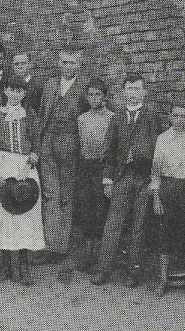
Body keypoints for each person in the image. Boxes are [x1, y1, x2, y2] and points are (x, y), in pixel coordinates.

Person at [93, 73, 160, 287]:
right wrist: (107, 179)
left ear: (144, 92)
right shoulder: (118, 117)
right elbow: (109, 150)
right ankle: (103, 270)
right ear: (124, 92)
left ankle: (133, 272)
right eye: (129, 89)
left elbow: (160, 149)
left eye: (137, 89)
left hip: (143, 178)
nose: (133, 93)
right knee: (113, 223)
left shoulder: (152, 116)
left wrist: (150, 173)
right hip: (121, 178)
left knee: (139, 226)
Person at [0, 79, 44, 286]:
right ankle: (6, 267)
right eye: (11, 89)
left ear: (24, 93)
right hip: (3, 165)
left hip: (25, 166)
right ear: (5, 90)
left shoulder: (30, 115)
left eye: (19, 91)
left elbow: (37, 145)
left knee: (25, 217)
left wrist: (27, 168)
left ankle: (24, 268)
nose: (14, 94)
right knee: (4, 218)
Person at [36, 45, 89, 266]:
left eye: (73, 62)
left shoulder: (85, 87)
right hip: (48, 142)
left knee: (66, 196)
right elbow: (42, 114)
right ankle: (49, 245)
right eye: (65, 62)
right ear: (59, 62)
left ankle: (61, 247)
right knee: (50, 195)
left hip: (70, 144)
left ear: (79, 64)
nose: (69, 67)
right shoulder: (50, 84)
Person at [149, 103, 185, 297]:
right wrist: (156, 197)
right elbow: (155, 171)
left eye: (183, 116)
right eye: (175, 116)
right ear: (170, 117)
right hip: (168, 188)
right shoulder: (162, 138)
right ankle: (163, 280)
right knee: (164, 235)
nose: (179, 119)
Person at [73, 78, 114, 275]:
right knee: (86, 212)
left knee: (101, 212)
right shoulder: (82, 119)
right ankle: (88, 257)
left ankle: (100, 258)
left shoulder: (112, 118)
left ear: (104, 96)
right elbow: (79, 146)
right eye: (90, 94)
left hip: (103, 167)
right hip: (86, 168)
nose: (94, 98)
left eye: (98, 94)